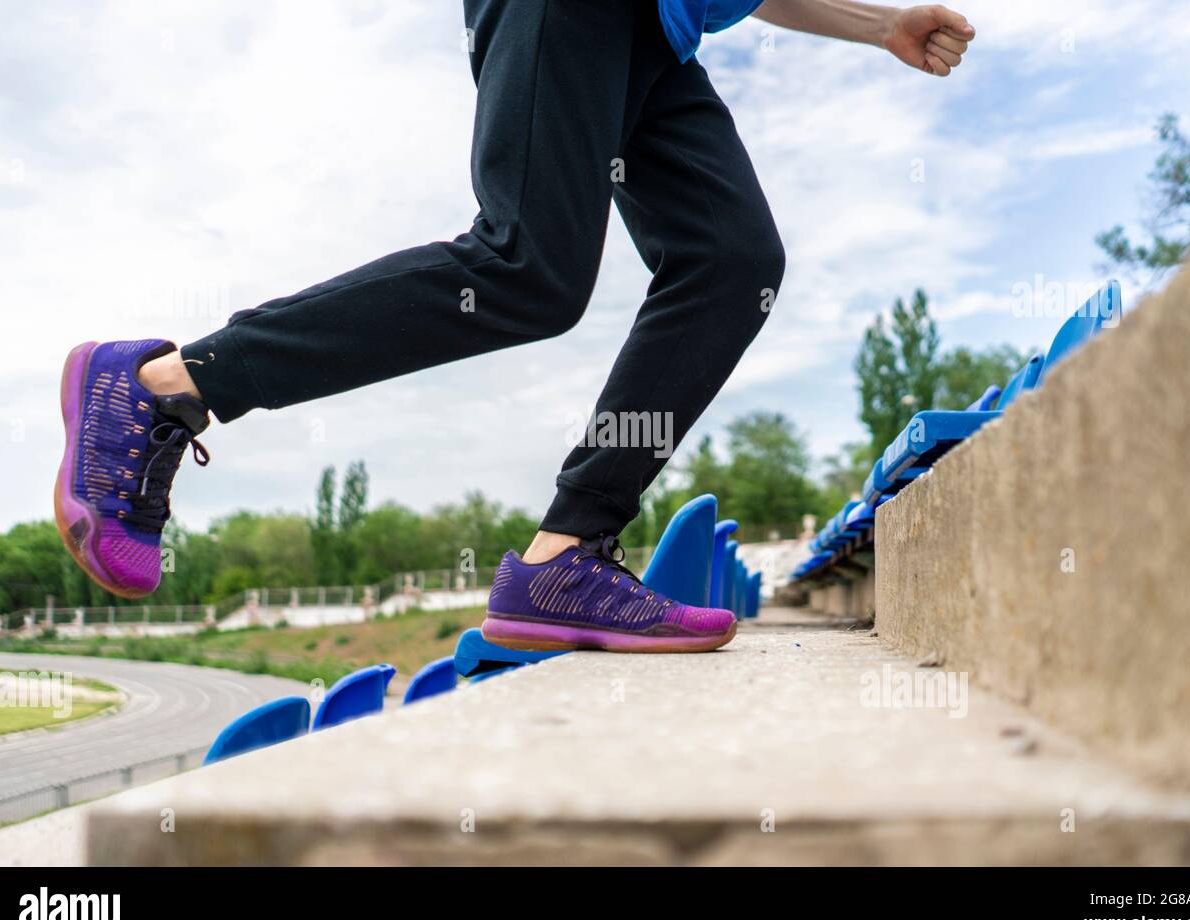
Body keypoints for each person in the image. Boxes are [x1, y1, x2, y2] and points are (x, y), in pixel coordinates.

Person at [54, 0, 972, 653]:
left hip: (658, 35)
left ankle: (566, 557)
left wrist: (877, 22)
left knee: (732, 262)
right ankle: (164, 385)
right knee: (525, 265)